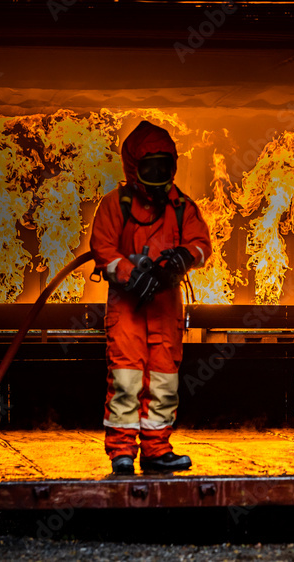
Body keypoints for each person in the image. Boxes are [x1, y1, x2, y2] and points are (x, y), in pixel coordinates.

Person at [90, 120, 212, 475]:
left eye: (164, 165)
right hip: (128, 309)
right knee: (126, 381)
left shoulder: (182, 207)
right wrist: (130, 274)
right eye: (150, 166)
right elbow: (102, 248)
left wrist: (186, 257)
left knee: (163, 382)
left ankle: (157, 451)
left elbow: (202, 244)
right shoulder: (116, 205)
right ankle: (122, 453)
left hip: (165, 308)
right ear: (134, 168)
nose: (158, 174)